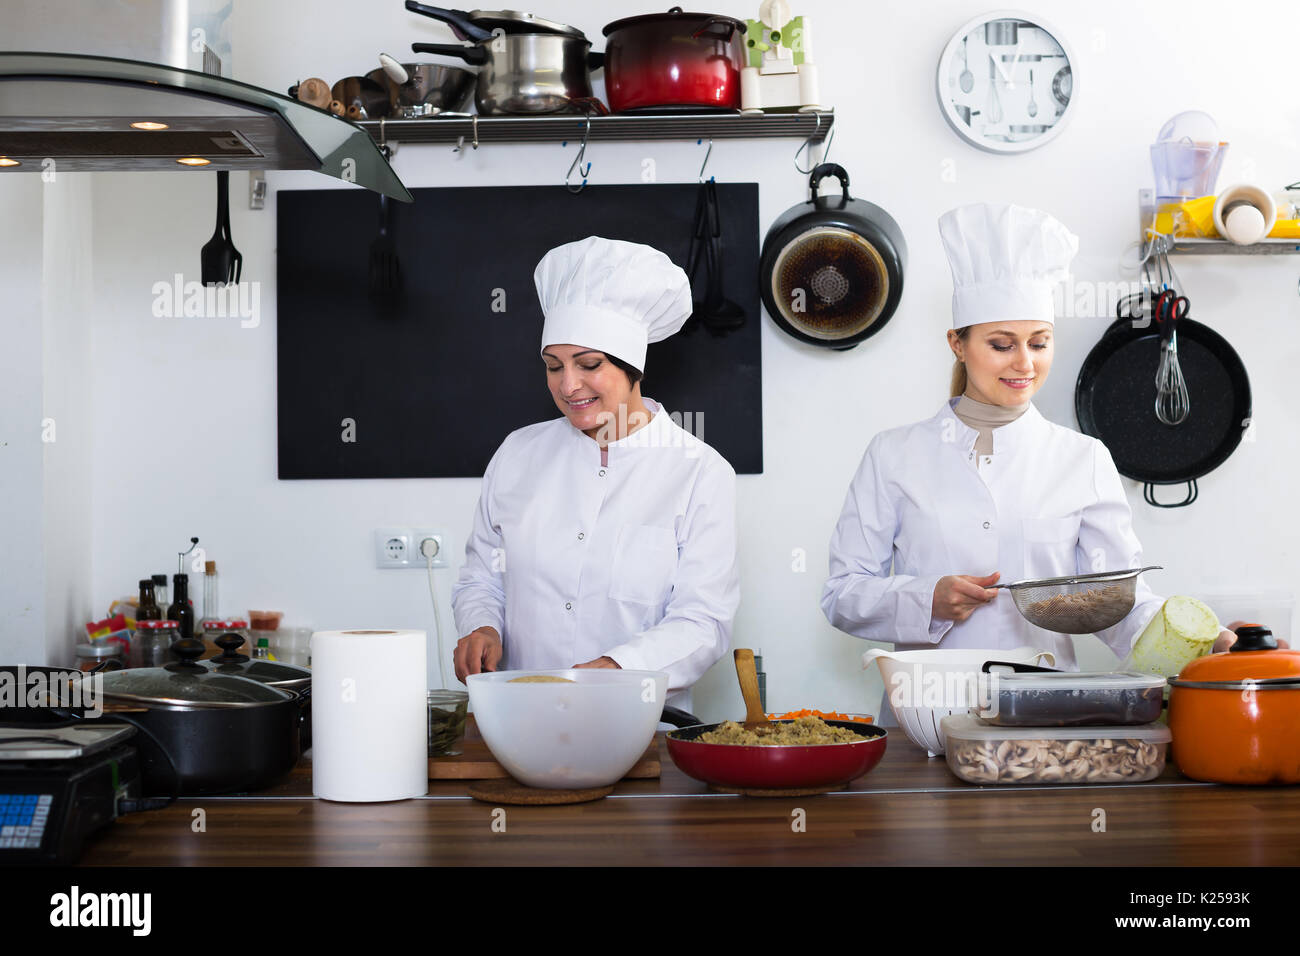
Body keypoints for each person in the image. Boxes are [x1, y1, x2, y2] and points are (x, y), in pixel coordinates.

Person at [820, 203, 1236, 723]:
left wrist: (1198, 641)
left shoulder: (1081, 459)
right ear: (958, 344)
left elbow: (1116, 602)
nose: (1025, 363)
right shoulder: (894, 454)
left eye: (1039, 343)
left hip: (1045, 712)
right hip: (926, 717)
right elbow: (843, 594)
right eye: (1001, 345)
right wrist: (927, 597)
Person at [451, 236, 740, 711]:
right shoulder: (517, 454)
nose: (568, 385)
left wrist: (617, 669)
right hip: (522, 718)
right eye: (553, 366)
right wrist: (481, 625)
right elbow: (482, 576)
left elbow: (703, 620)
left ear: (633, 367)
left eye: (589, 364)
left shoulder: (699, 472)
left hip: (644, 724)